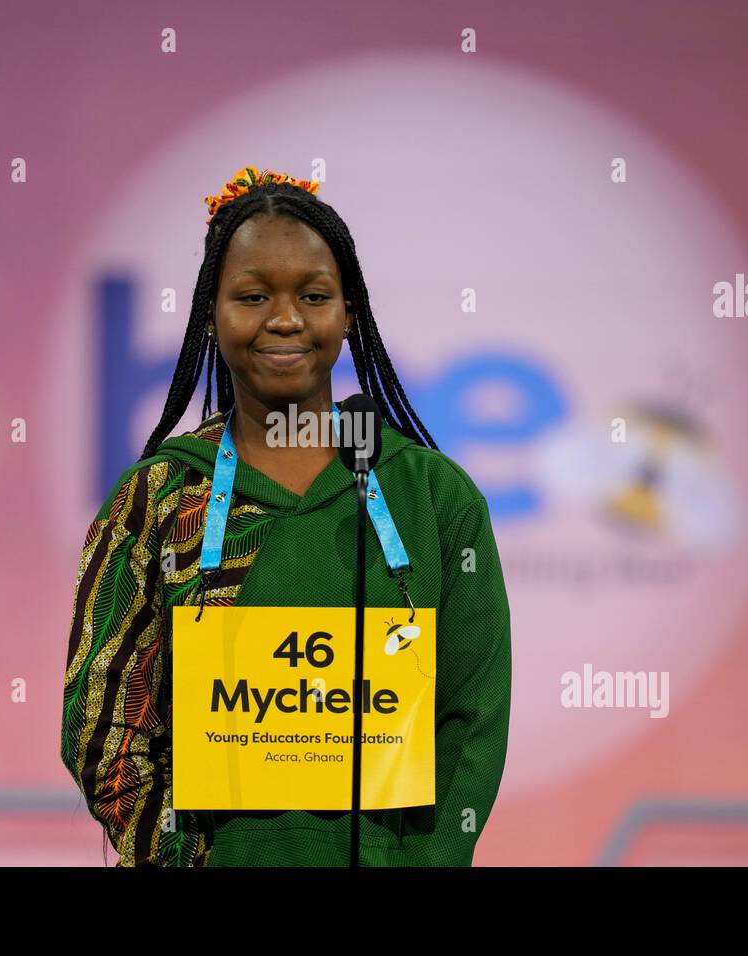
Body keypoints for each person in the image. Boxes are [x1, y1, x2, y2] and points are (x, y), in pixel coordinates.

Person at [60, 166, 511, 866]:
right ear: (210, 313)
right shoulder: (155, 499)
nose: (285, 319)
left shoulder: (435, 498)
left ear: (348, 311)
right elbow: (102, 722)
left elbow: (472, 725)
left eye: (314, 295)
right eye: (252, 295)